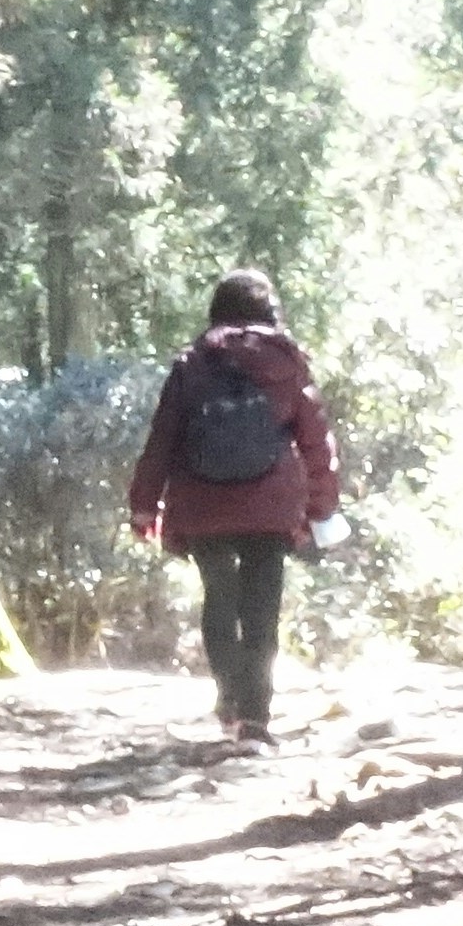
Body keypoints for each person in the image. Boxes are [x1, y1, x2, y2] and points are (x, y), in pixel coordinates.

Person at [126, 267, 339, 740]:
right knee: (262, 607)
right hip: (271, 505)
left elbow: (162, 439)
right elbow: (317, 442)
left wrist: (144, 505)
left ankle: (229, 697)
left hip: (203, 505)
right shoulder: (287, 363)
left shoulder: (192, 364)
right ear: (270, 311)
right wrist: (321, 507)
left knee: (220, 599)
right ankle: (256, 714)